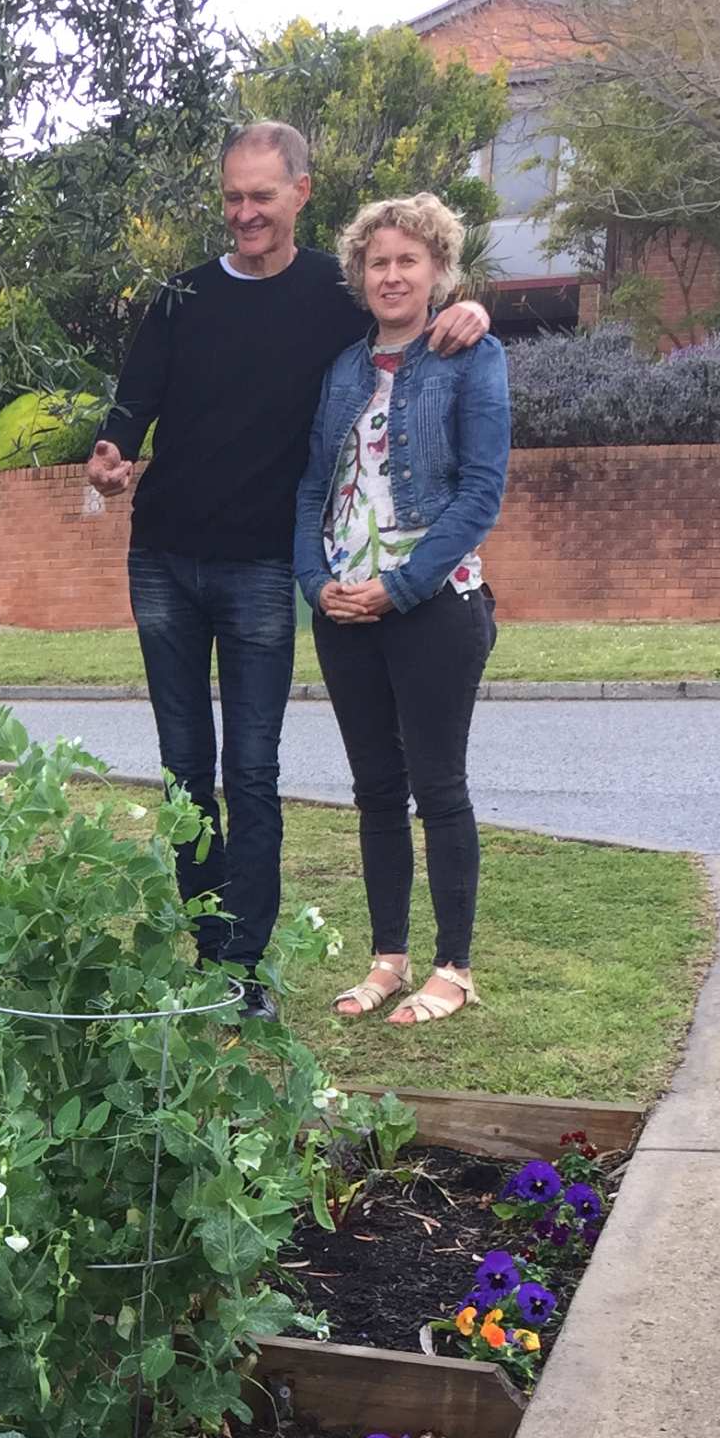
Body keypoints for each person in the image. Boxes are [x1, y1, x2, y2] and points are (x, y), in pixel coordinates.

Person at [85, 122, 486, 1018]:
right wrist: (107, 453)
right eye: (232, 197)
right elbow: (129, 407)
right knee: (185, 767)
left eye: (262, 195)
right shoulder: (180, 296)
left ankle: (249, 969)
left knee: (253, 770)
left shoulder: (333, 297)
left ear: (302, 192)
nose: (245, 214)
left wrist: (475, 307)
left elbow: (408, 319)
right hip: (162, 563)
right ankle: (207, 953)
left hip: (265, 570)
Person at [293, 193, 510, 1027]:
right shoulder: (342, 370)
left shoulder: (470, 354)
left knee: (438, 785)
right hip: (345, 609)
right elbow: (315, 485)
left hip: (434, 607)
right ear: (360, 273)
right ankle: (388, 958)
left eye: (408, 260)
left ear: (437, 272)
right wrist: (316, 583)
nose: (391, 274)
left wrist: (404, 584)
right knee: (376, 790)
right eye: (378, 262)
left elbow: (481, 491)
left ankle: (454, 967)